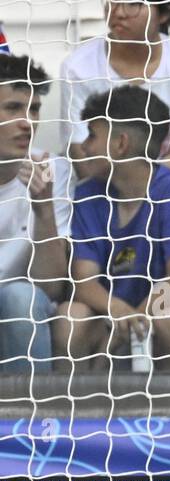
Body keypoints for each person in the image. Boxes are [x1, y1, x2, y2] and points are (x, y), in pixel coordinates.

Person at [55, 85, 170, 371]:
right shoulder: (87, 195)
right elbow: (83, 283)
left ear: (121, 144)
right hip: (113, 318)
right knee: (70, 316)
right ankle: (76, 399)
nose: (84, 146)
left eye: (92, 135)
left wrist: (132, 323)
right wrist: (120, 314)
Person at [61, 1, 170, 182]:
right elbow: (82, 158)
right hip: (99, 187)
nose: (118, 12)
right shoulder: (77, 67)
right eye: (112, 1)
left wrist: (139, 187)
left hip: (164, 185)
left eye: (133, 3)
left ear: (165, 13)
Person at [0, 54, 72, 373]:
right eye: (13, 108)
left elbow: (52, 287)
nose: (27, 122)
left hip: (22, 307)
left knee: (20, 299)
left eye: (34, 109)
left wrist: (43, 209)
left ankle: (31, 406)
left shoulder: (52, 169)